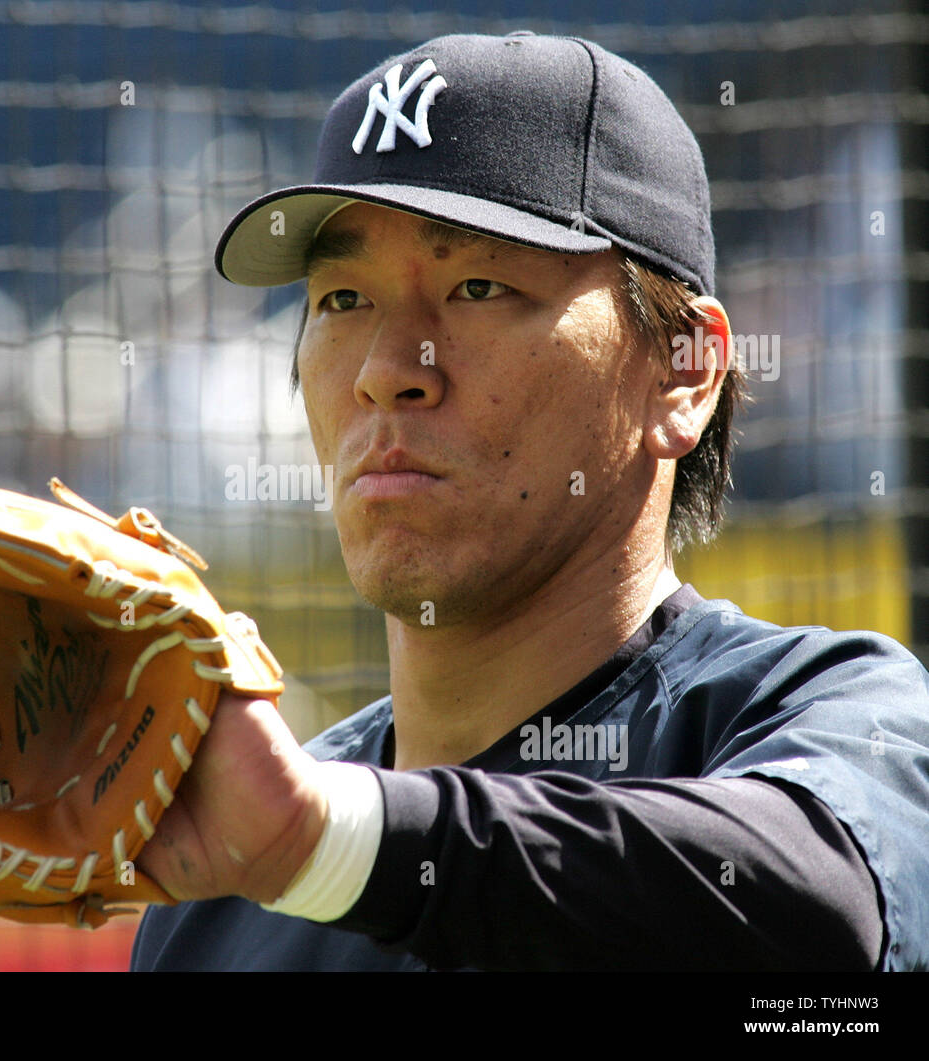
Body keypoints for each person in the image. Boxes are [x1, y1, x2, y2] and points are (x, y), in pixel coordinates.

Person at [129, 31, 929, 971]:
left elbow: (820, 916)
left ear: (684, 375)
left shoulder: (832, 715)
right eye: (343, 299)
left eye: (478, 286)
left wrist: (330, 843)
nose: (390, 371)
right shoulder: (219, 903)